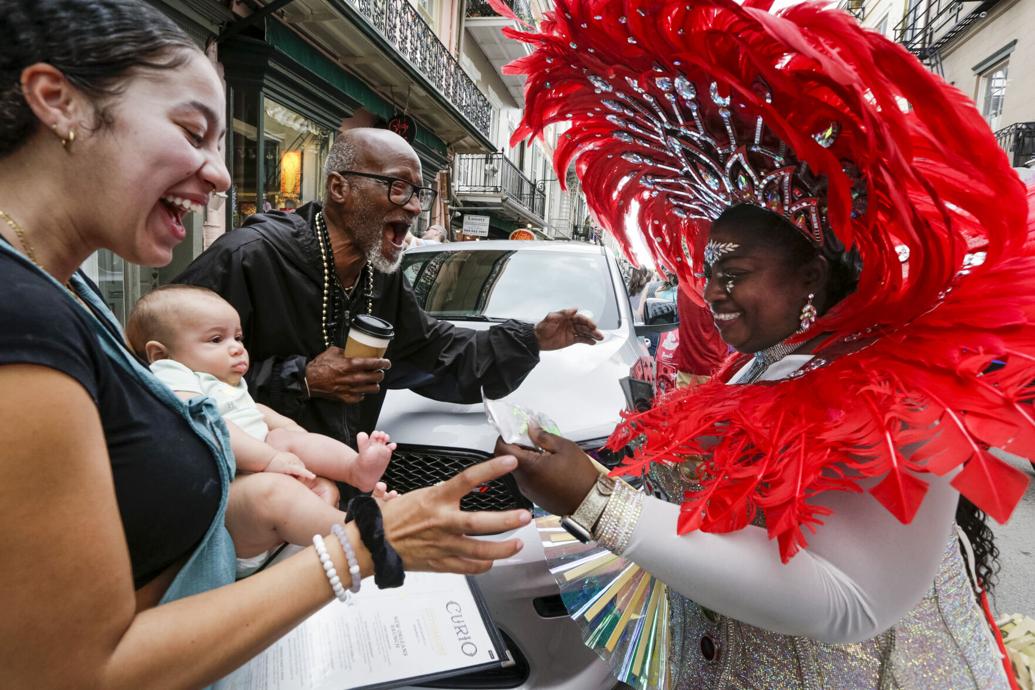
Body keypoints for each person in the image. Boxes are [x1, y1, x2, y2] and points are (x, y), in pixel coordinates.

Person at [496, 0, 1035, 687]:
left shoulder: (894, 393)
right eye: (708, 273)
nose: (712, 292)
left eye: (736, 274)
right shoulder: (759, 363)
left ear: (811, 272)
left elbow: (850, 601)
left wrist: (598, 502)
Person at [0, 2, 529, 687]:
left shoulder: (68, 293)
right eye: (193, 132)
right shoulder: (22, 316)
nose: (220, 174)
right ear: (56, 102)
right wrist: (364, 549)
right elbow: (69, 670)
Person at [175, 127, 603, 449]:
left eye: (417, 193)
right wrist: (301, 379)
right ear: (339, 187)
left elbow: (432, 351)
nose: (415, 207)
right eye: (398, 188)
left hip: (339, 489)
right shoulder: (247, 257)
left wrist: (531, 338)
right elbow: (168, 379)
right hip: (251, 501)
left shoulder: (380, 273)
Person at [126, 284, 393, 493]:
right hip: (234, 474)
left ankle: (355, 470)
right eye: (216, 339)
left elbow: (253, 410)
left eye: (238, 337)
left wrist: (295, 436)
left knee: (288, 438)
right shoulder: (173, 374)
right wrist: (270, 459)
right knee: (279, 478)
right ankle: (352, 530)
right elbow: (209, 422)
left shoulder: (220, 381)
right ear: (161, 355)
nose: (236, 347)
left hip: (262, 456)